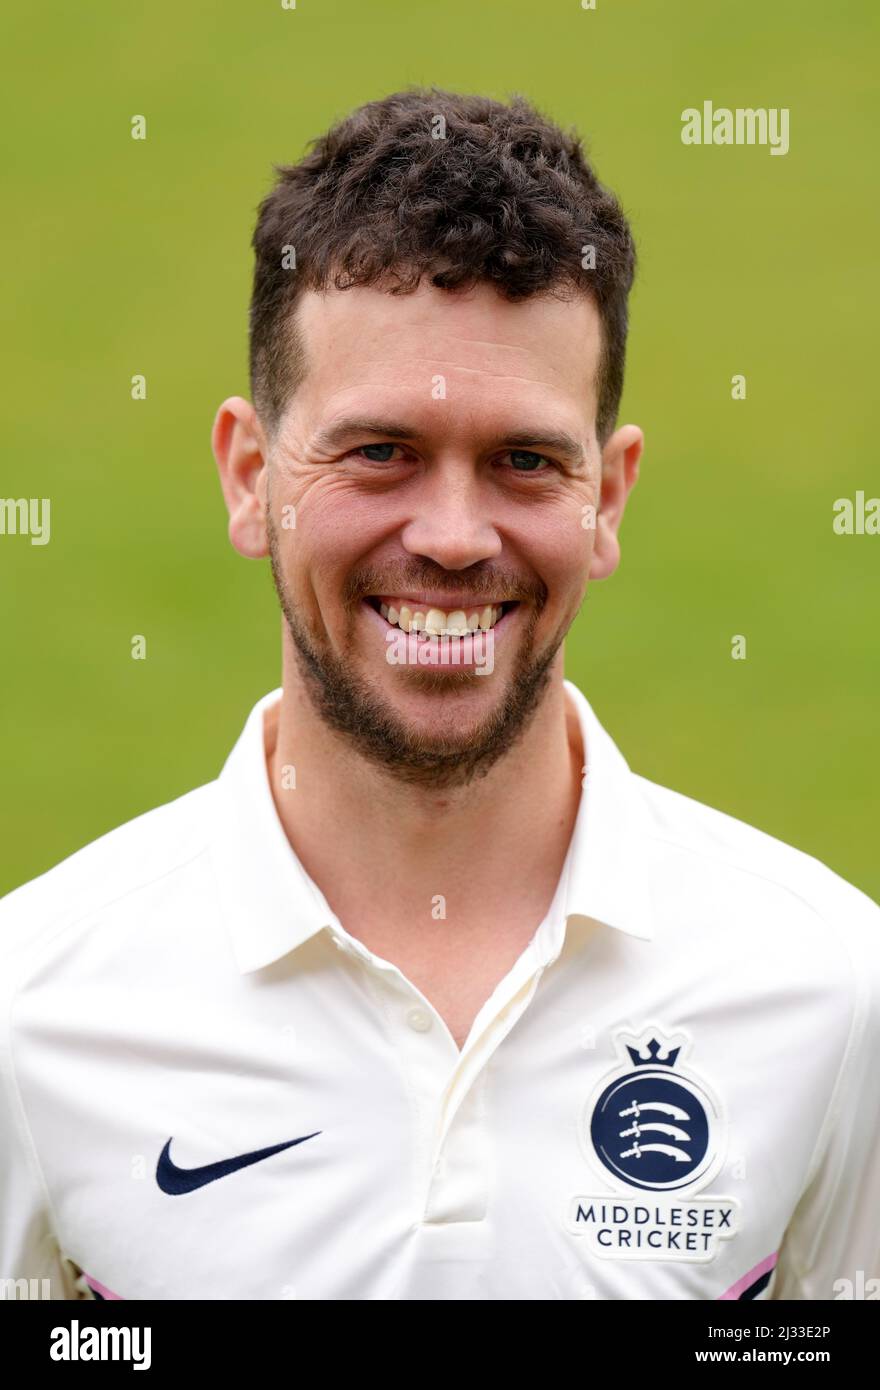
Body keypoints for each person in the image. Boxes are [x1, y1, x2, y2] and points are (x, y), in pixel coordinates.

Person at [1, 88, 878, 1303]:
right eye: (379, 454)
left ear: (608, 498)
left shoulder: (829, 986)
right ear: (252, 477)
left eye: (525, 461)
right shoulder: (34, 1006)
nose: (455, 537)